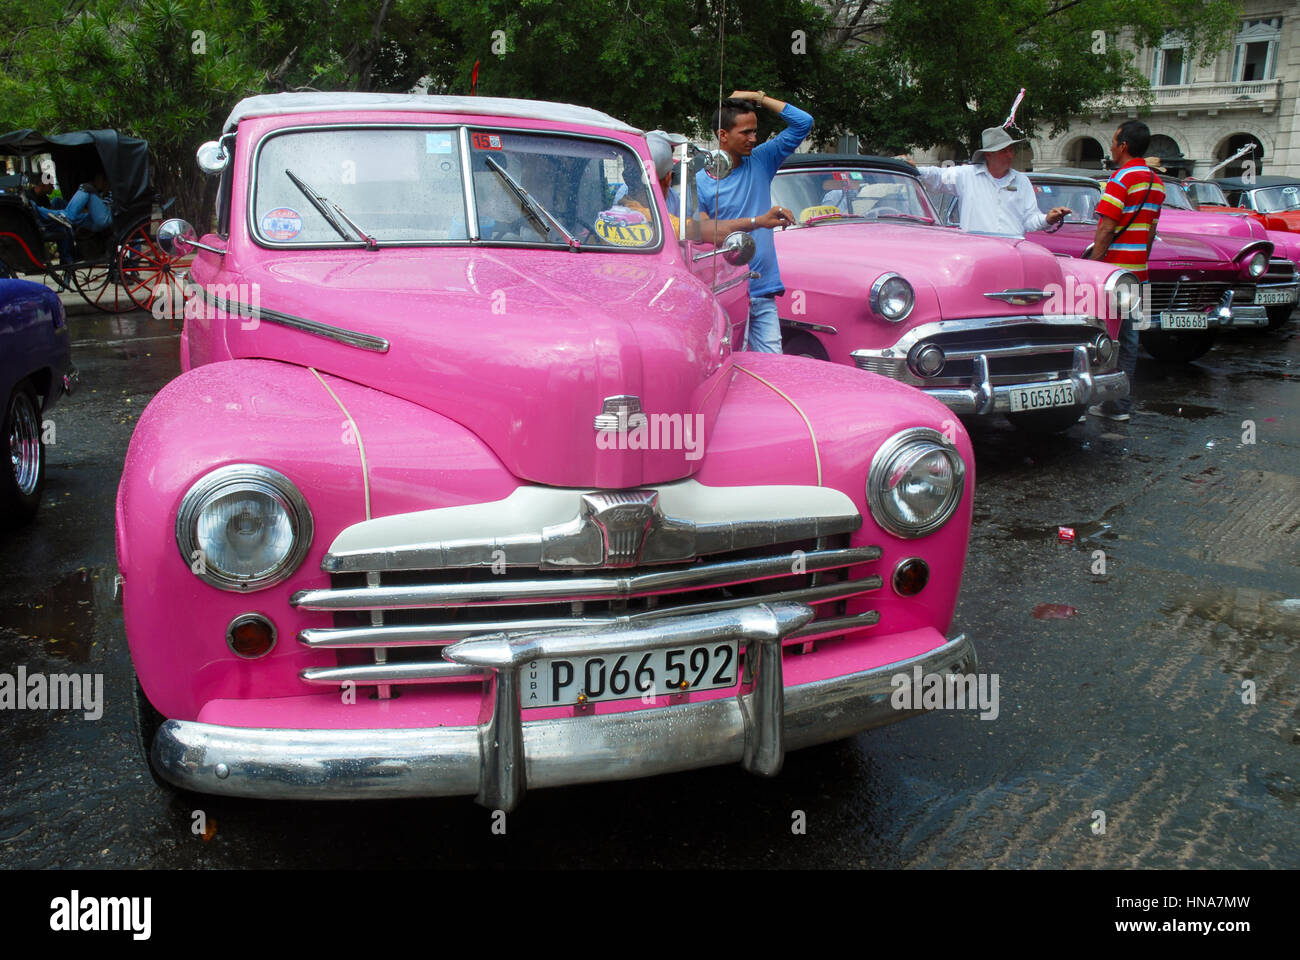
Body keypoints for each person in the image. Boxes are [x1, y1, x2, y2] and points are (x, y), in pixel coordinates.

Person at [695, 92, 813, 352]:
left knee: (772, 368)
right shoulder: (700, 182)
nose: (753, 138)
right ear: (722, 135)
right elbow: (705, 234)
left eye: (755, 132)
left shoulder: (761, 160)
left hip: (763, 292)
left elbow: (803, 122)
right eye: (746, 132)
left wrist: (757, 97)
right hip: (724, 296)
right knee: (728, 369)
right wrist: (758, 221)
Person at [1086, 120, 1165, 423]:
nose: (1111, 146)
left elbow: (1106, 227)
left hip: (1113, 275)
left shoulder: (1121, 178)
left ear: (1124, 146)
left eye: (1114, 141)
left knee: (1101, 338)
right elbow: (1149, 231)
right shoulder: (1156, 182)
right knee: (1131, 342)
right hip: (1138, 275)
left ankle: (1089, 404)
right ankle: (1119, 406)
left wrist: (1093, 262)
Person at [911, 127, 1071, 236]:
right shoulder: (967, 175)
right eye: (1004, 151)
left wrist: (1047, 219)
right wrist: (912, 168)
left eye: (1011, 150)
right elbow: (936, 176)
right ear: (989, 155)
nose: (1010, 155)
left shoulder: (1022, 181)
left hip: (1012, 252)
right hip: (977, 253)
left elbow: (1029, 220)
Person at [640, 131, 793, 243]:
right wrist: (759, 221)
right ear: (668, 177)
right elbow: (714, 231)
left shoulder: (672, 198)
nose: (752, 138)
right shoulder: (639, 211)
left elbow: (703, 224)